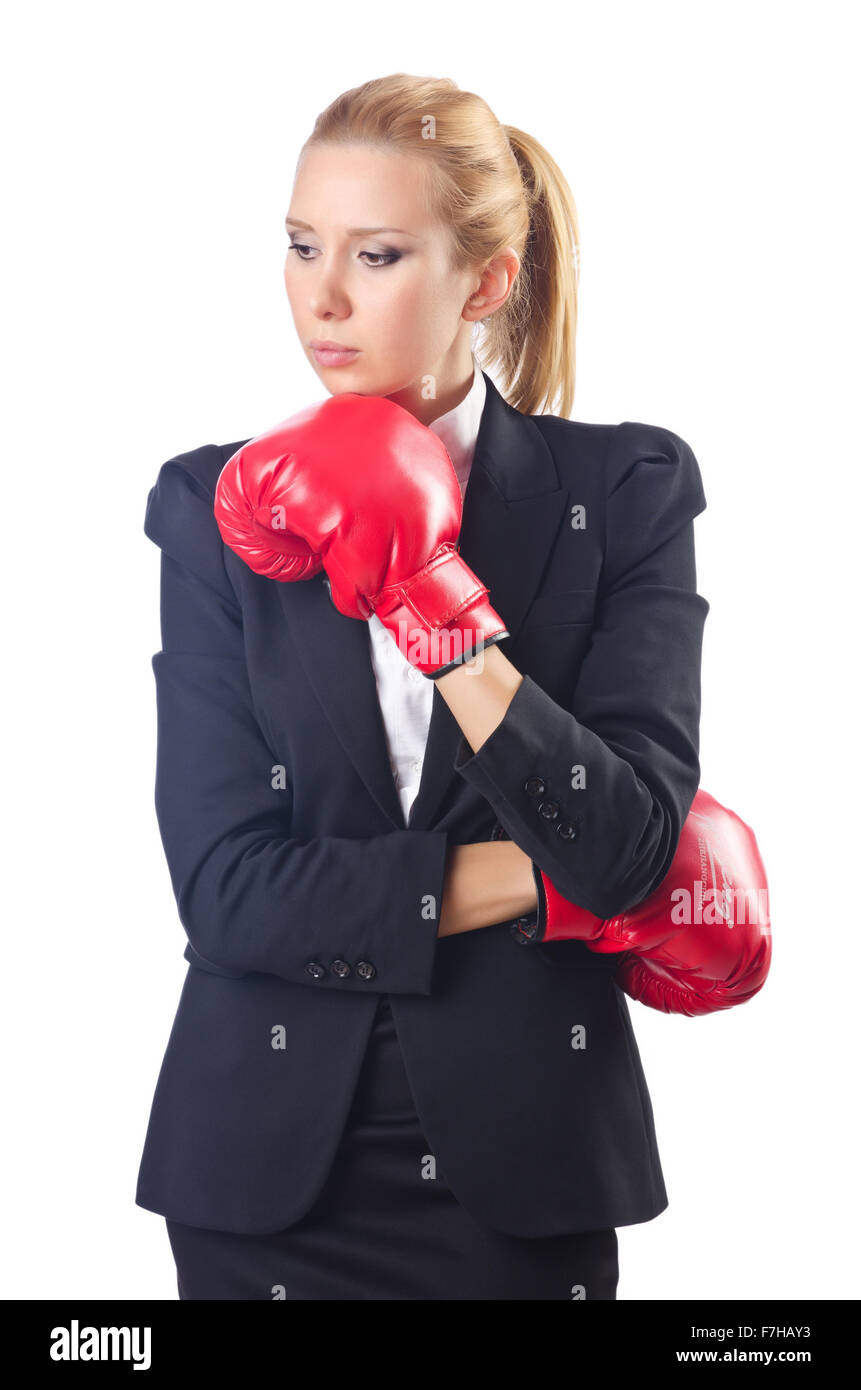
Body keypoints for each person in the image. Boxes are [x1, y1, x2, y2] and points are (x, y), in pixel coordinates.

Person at [136, 72, 709, 1301]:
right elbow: (226, 890)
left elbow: (629, 848)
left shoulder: (622, 496)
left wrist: (441, 611)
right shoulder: (213, 508)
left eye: (377, 254)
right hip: (261, 1181)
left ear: (486, 283)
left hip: (527, 1174)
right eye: (300, 247)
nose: (320, 297)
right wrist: (538, 878)